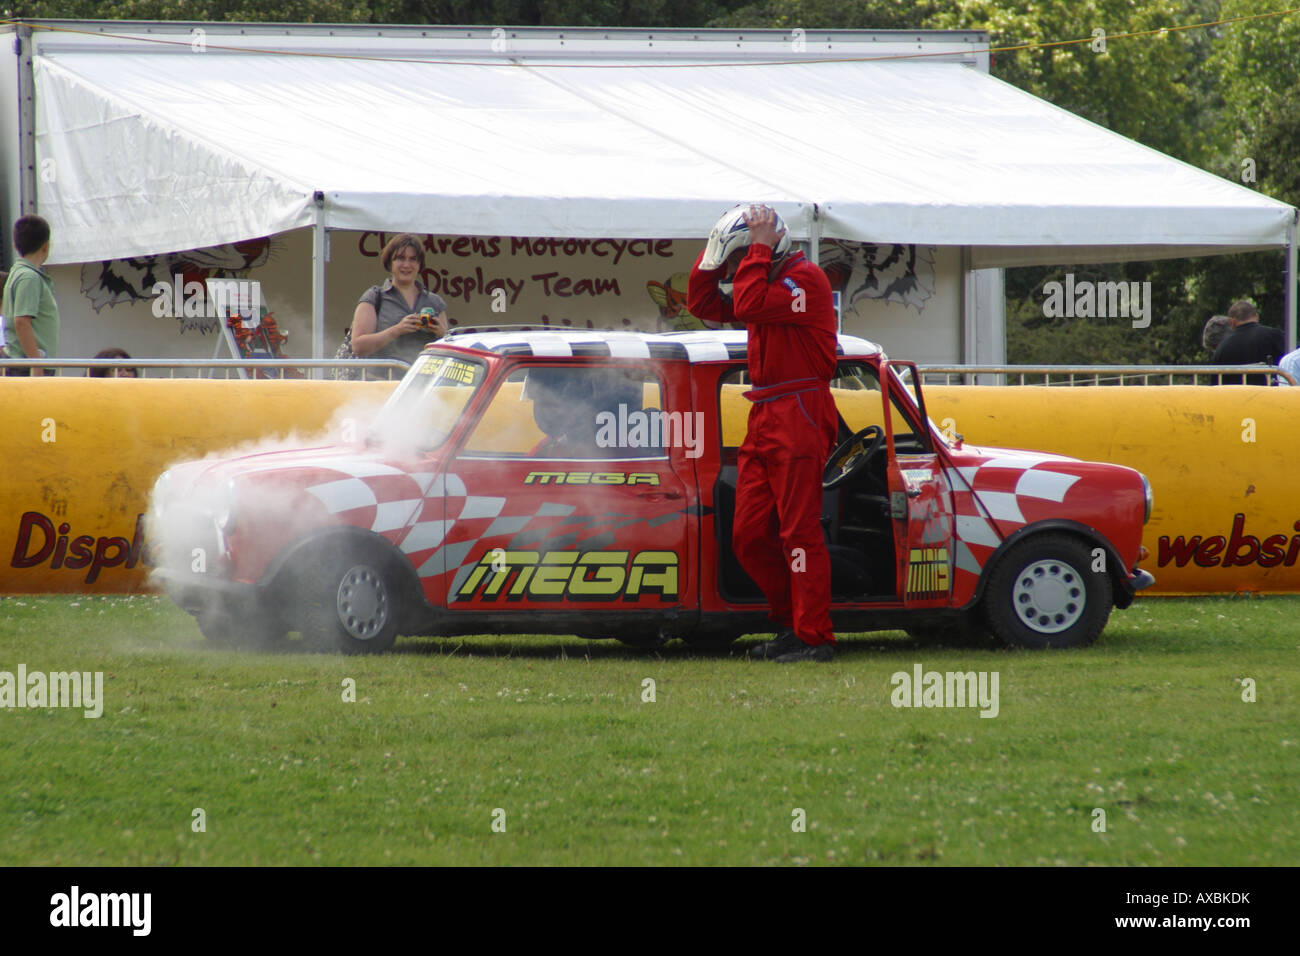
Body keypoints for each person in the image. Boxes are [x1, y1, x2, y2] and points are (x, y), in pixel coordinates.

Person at [688, 204, 839, 663]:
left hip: (799, 411)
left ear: (769, 248)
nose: (735, 272)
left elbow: (749, 303)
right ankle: (792, 622)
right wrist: (713, 254)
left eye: (742, 260)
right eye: (733, 263)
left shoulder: (806, 279)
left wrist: (756, 244)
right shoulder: (765, 282)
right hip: (767, 411)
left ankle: (815, 636)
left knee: (799, 532)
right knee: (750, 536)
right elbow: (702, 305)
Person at [349, 234, 449, 379]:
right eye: (400, 258)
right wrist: (396, 330)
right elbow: (358, 347)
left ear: (419, 264)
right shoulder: (374, 297)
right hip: (381, 387)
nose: (406, 265)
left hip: (423, 388)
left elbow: (451, 349)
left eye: (413, 259)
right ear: (390, 263)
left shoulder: (435, 302)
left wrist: (441, 334)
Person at [2, 215, 59, 377]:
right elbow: (21, 322)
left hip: (25, 363)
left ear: (15, 245)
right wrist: (37, 364)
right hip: (28, 367)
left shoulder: (18, 273)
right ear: (46, 246)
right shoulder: (29, 277)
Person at [1210, 300, 1286, 385]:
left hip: (1237, 396)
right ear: (1257, 317)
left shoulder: (1222, 348)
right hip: (1274, 396)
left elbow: (1216, 384)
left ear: (1231, 321)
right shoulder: (1276, 336)